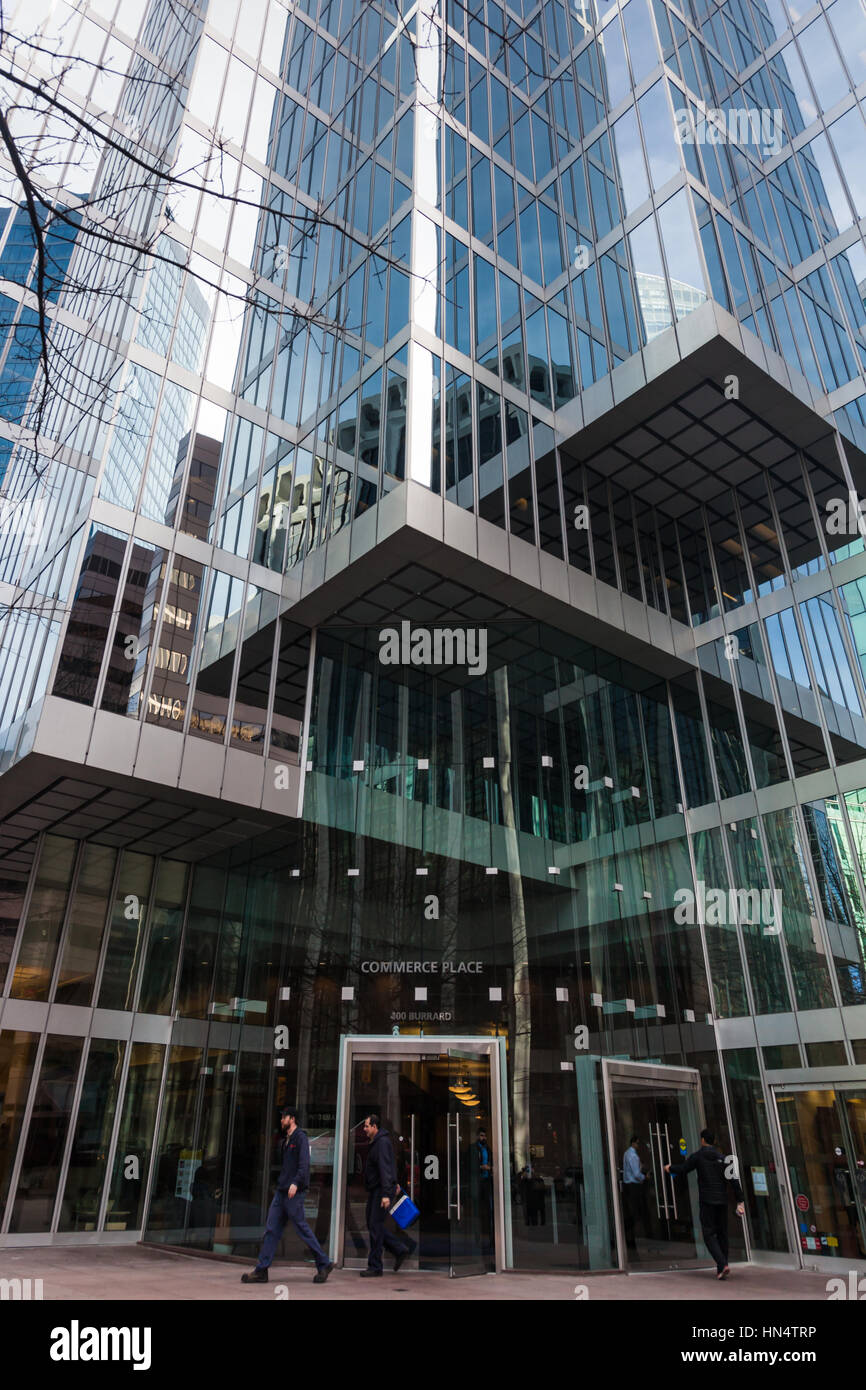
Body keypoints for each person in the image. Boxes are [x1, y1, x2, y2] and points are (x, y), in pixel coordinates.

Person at [241, 1106, 334, 1285]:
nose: (281, 1120)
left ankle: (324, 1263)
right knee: (271, 1230)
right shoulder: (286, 1140)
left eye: (284, 1117)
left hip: (293, 1193)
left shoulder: (300, 1138)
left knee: (301, 1228)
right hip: (282, 1192)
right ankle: (261, 1270)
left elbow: (304, 1164)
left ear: (292, 1119)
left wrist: (295, 1183)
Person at [665, 1128, 745, 1280]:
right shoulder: (723, 1158)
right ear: (713, 1141)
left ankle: (722, 1263)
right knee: (722, 1234)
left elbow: (684, 1169)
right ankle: (722, 1268)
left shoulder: (698, 1156)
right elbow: (734, 1180)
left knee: (708, 1234)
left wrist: (670, 1168)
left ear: (702, 1140)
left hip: (707, 1200)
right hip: (722, 1200)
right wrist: (740, 1200)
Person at [360, 1113, 415, 1277]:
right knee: (372, 1224)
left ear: (375, 1127)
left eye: (366, 1126)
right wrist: (394, 1183)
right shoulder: (377, 1142)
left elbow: (385, 1167)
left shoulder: (381, 1142)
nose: (364, 1129)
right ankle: (399, 1250)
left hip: (380, 1191)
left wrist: (386, 1193)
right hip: (377, 1189)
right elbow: (390, 1165)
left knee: (375, 1226)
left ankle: (375, 1266)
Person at [621, 1135, 646, 1251]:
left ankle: (629, 1238)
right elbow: (636, 1174)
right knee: (634, 1213)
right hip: (633, 1186)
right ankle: (630, 1238)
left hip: (628, 1186)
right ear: (633, 1143)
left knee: (630, 1213)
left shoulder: (627, 1153)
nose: (639, 1146)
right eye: (638, 1143)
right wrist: (644, 1177)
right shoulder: (632, 1156)